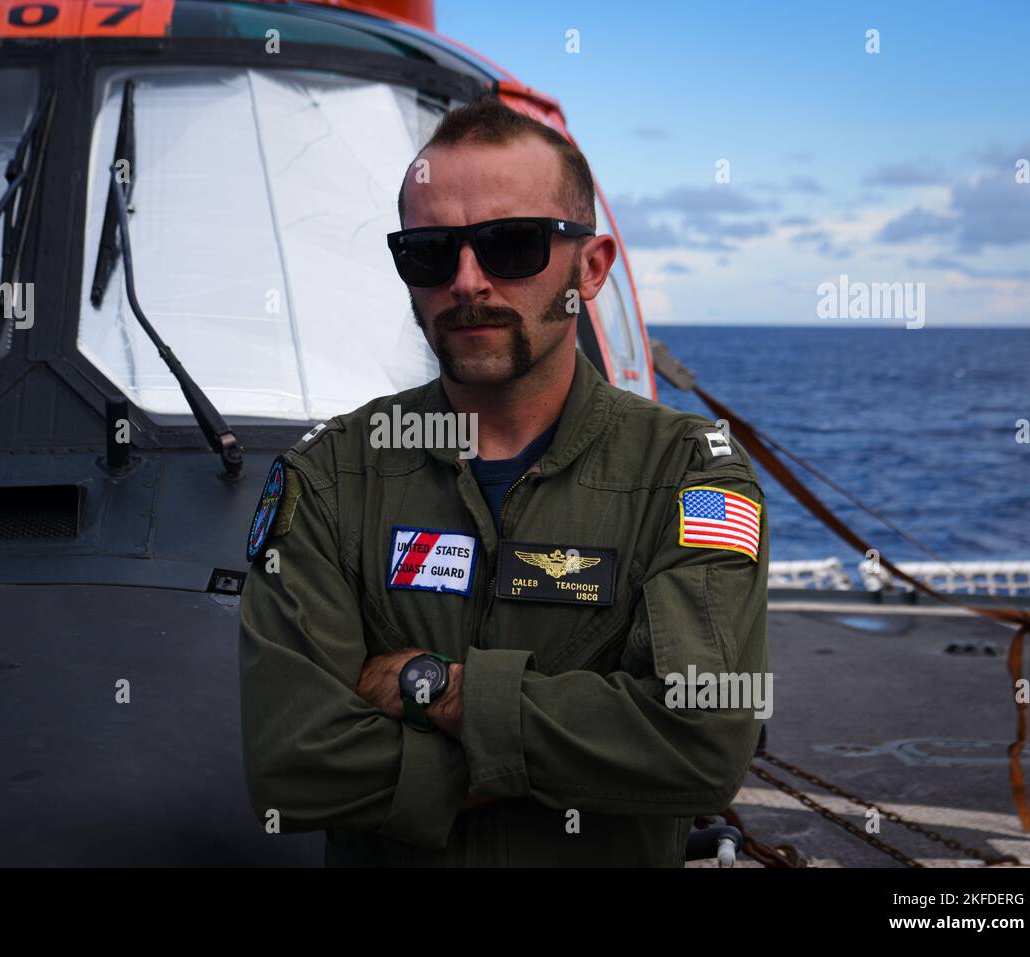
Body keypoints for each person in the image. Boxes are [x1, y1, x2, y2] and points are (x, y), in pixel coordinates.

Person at [238, 95, 769, 866]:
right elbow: (291, 768)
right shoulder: (327, 480)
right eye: (429, 252)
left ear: (590, 269)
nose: (467, 281)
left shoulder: (686, 473)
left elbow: (702, 743)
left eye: (511, 245)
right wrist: (576, 750)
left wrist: (433, 687)